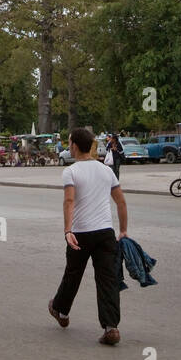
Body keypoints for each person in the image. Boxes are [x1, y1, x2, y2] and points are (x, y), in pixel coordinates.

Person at [47, 126, 129, 346]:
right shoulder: (106, 170)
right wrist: (123, 230)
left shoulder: (71, 171)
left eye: (69, 142)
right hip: (105, 233)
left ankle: (60, 311)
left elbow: (69, 201)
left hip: (81, 233)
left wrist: (67, 231)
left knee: (73, 273)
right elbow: (121, 201)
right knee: (107, 279)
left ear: (74, 145)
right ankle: (111, 327)